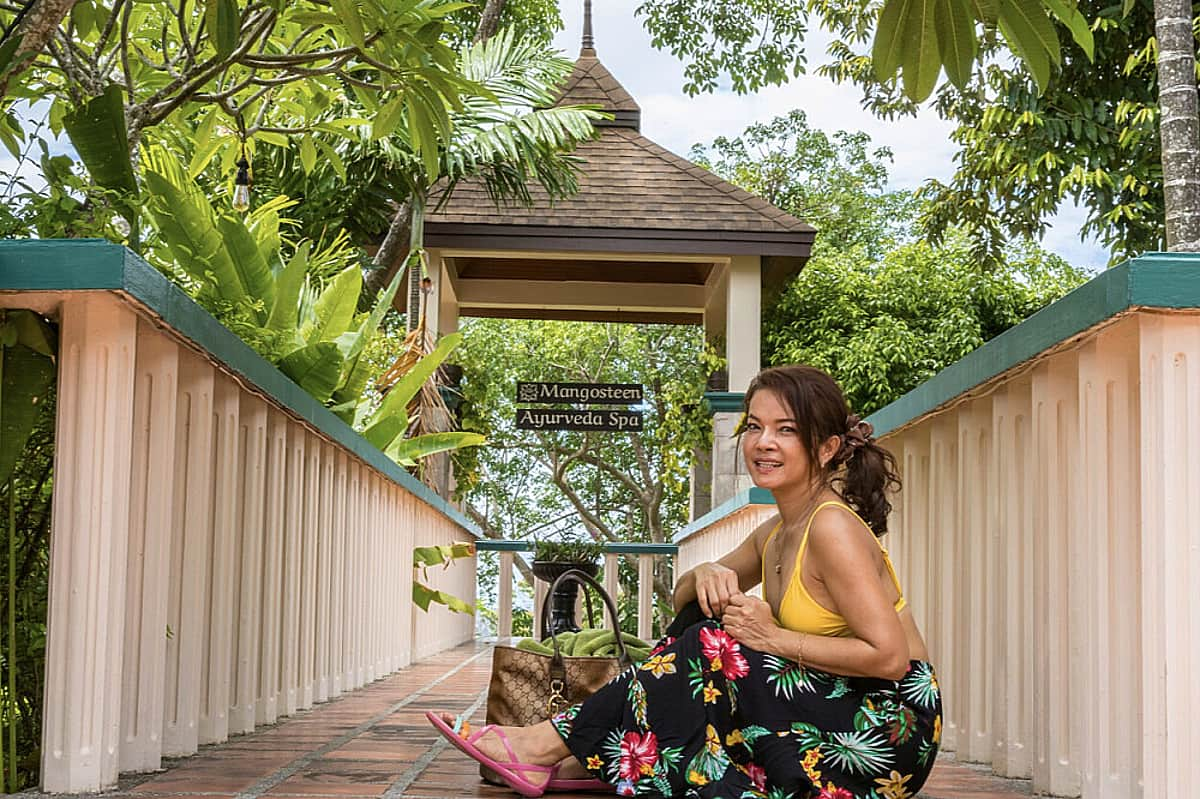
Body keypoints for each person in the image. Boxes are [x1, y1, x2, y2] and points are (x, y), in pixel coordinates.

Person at [428, 365, 942, 799]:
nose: (763, 443)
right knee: (703, 616)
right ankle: (590, 752)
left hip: (884, 733)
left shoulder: (831, 527)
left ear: (827, 447)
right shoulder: (778, 530)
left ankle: (544, 745)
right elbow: (683, 599)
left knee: (711, 644)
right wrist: (706, 573)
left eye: (786, 429)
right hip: (826, 703)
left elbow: (889, 658)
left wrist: (773, 639)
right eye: (754, 426)